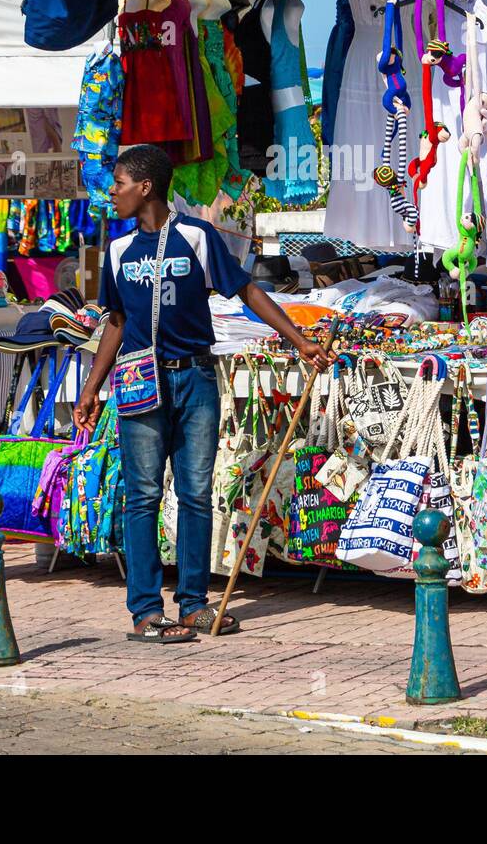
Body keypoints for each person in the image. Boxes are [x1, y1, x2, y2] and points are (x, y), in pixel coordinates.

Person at [73, 144, 333, 645]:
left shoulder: (197, 237)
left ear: (145, 187)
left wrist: (298, 340)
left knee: (194, 494)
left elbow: (247, 291)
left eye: (121, 183)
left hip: (195, 378)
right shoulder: (118, 250)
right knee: (143, 497)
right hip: (138, 383)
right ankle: (146, 612)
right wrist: (90, 389)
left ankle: (192, 604)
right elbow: (117, 322)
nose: (114, 191)